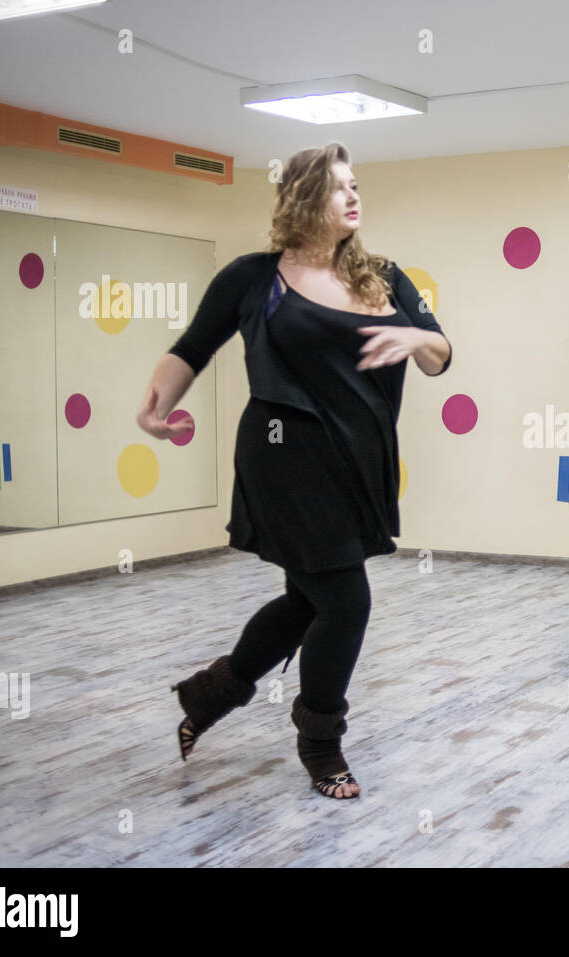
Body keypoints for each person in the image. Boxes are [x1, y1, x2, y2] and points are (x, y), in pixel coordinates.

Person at [136, 142, 451, 799]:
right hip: (282, 457)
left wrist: (418, 338)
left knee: (310, 600)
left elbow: (440, 351)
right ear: (303, 200)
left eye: (356, 185)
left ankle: (208, 694)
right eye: (339, 187)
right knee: (347, 599)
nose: (354, 196)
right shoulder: (254, 277)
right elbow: (192, 347)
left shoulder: (386, 277)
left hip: (358, 464)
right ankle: (320, 740)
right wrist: (157, 402)